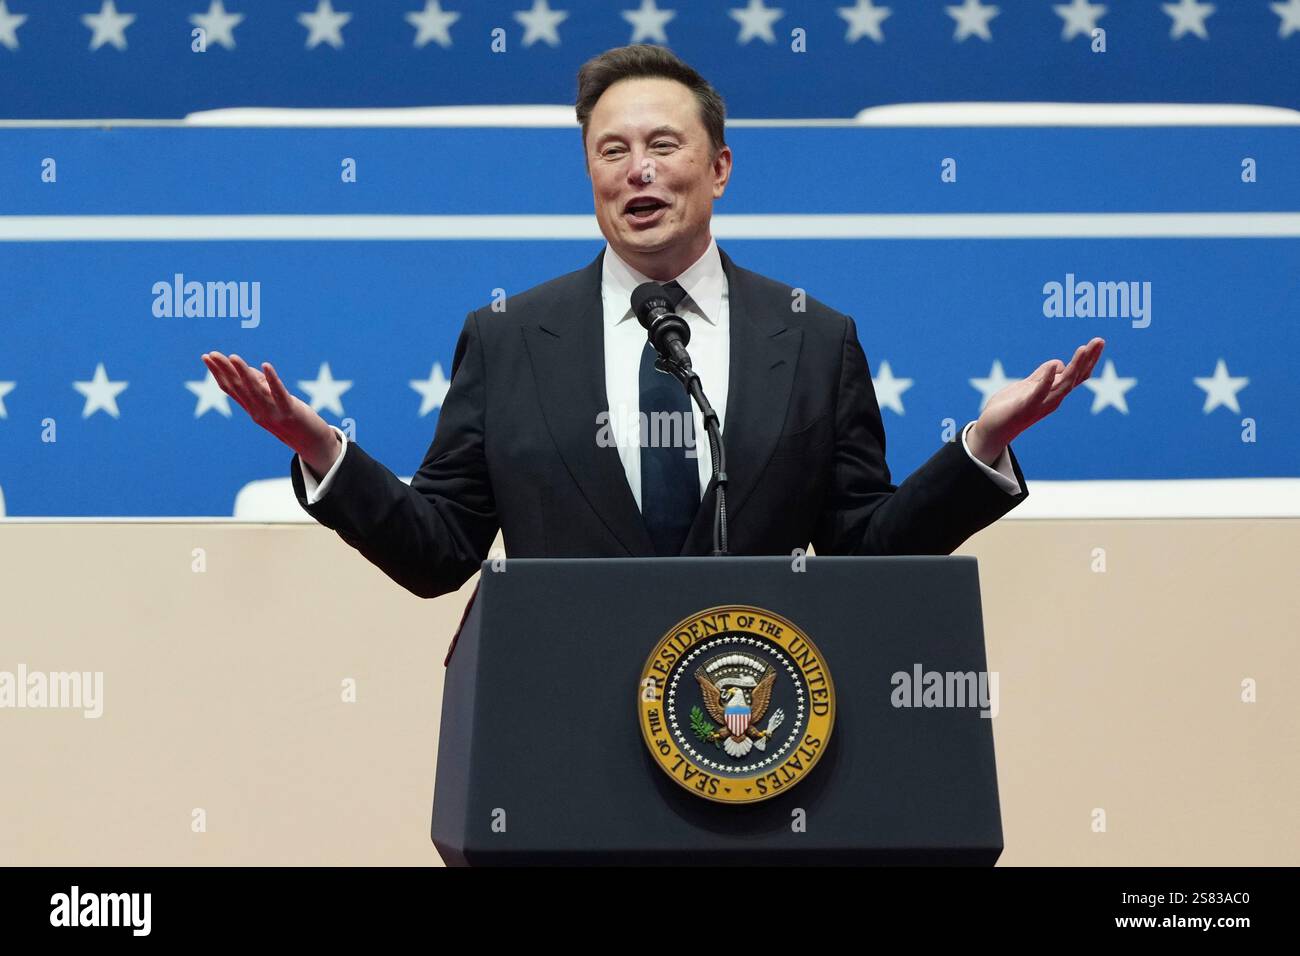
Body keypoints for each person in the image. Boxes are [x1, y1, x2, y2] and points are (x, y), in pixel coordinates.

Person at [201, 44, 1103, 602]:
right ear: (589, 175)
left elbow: (864, 549)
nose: (637, 172)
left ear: (718, 169)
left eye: (663, 147)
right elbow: (440, 552)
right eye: (611, 151)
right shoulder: (510, 337)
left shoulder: (814, 338)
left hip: (760, 729)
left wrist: (978, 450)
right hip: (557, 742)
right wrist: (327, 455)